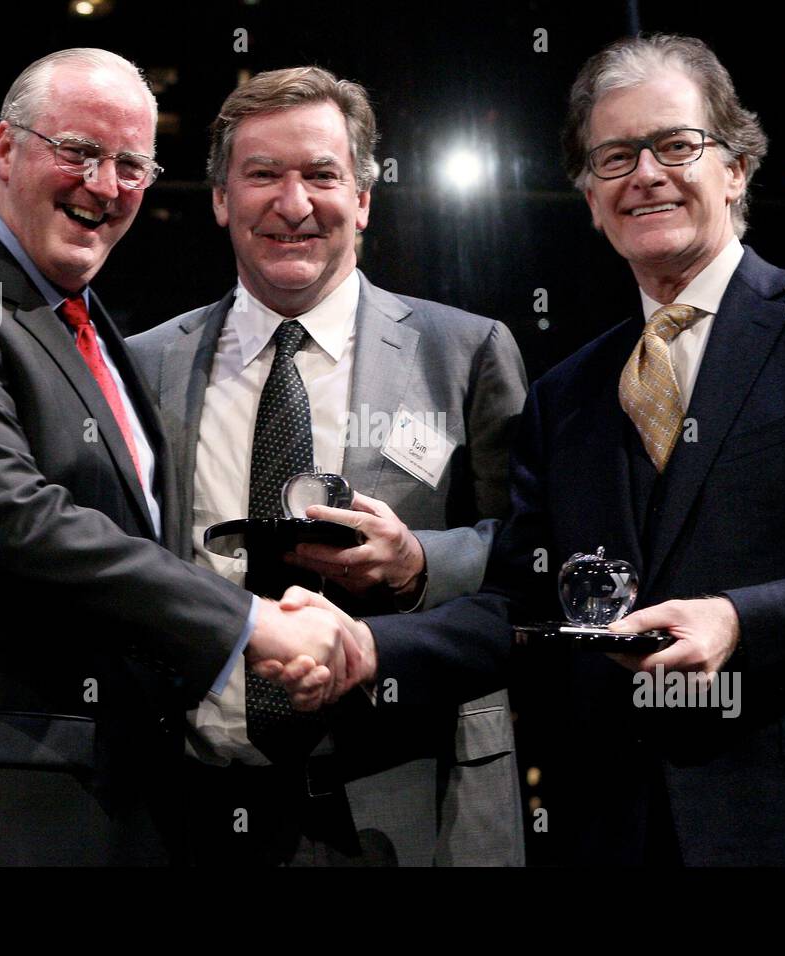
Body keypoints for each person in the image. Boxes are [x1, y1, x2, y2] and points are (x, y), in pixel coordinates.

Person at [294, 34, 785, 865]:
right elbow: (525, 607)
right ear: (590, 198)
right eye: (615, 156)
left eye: (676, 145)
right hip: (618, 829)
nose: (646, 174)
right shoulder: (567, 395)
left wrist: (739, 621)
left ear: (736, 168)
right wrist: (373, 647)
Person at [0, 48, 358, 866]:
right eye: (78, 152)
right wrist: (249, 626)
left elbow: (134, 569)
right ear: (4, 150)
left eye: (131, 164)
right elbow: (22, 523)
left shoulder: (100, 335)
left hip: (99, 813)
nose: (103, 185)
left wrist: (248, 660)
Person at [128, 66, 527, 866]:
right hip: (197, 808)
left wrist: (420, 564)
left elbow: (532, 559)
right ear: (219, 200)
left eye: (321, 175)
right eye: (263, 175)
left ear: (365, 198)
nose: (294, 203)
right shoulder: (145, 367)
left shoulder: (465, 350)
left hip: (416, 803)